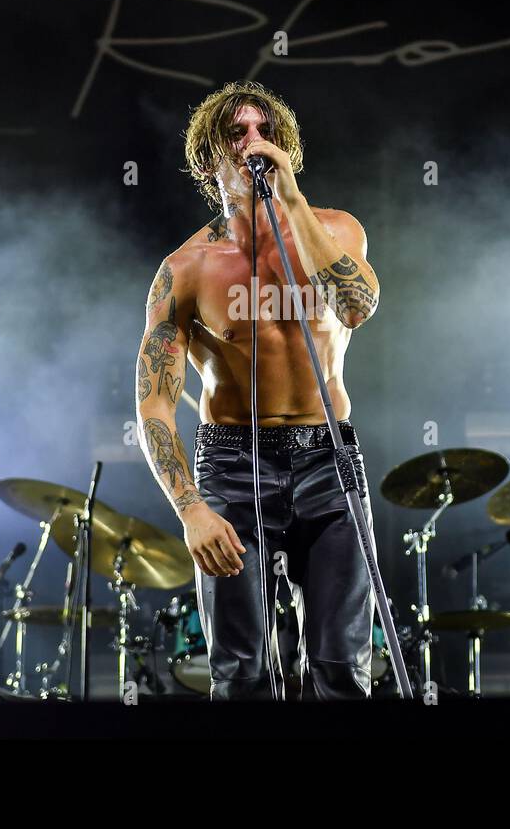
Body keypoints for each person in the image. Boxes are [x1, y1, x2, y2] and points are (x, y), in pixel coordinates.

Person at [135, 81, 381, 699]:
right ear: (207, 158)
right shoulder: (185, 269)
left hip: (328, 456)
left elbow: (355, 306)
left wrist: (291, 200)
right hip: (230, 463)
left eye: (267, 132)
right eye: (238, 133)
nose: (255, 144)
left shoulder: (336, 231)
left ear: (288, 147)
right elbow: (154, 400)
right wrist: (189, 508)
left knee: (341, 667)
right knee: (240, 671)